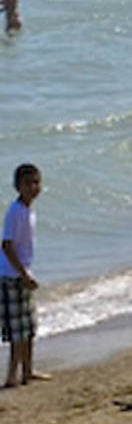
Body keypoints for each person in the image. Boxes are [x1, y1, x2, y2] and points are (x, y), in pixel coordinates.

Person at [3, 164, 46, 388]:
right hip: (11, 276)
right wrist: (22, 274)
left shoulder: (29, 210)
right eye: (28, 183)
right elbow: (7, 245)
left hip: (23, 274)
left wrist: (27, 274)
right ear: (18, 187)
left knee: (29, 327)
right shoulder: (15, 211)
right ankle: (12, 375)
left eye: (36, 182)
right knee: (18, 330)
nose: (33, 187)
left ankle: (28, 372)